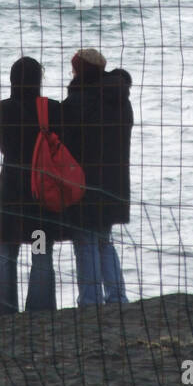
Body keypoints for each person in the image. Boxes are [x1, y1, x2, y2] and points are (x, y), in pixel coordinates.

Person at [59, 47, 133, 306]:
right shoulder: (121, 99)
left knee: (85, 241)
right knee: (104, 240)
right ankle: (117, 296)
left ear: (80, 71)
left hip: (84, 182)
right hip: (115, 182)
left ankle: (90, 300)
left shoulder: (77, 102)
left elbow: (66, 145)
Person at [0, 56, 64, 316]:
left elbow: (3, 144)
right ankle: (40, 311)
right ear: (37, 80)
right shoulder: (51, 108)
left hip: (10, 189)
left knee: (7, 252)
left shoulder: (2, 108)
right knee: (40, 252)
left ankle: (2, 311)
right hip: (40, 192)